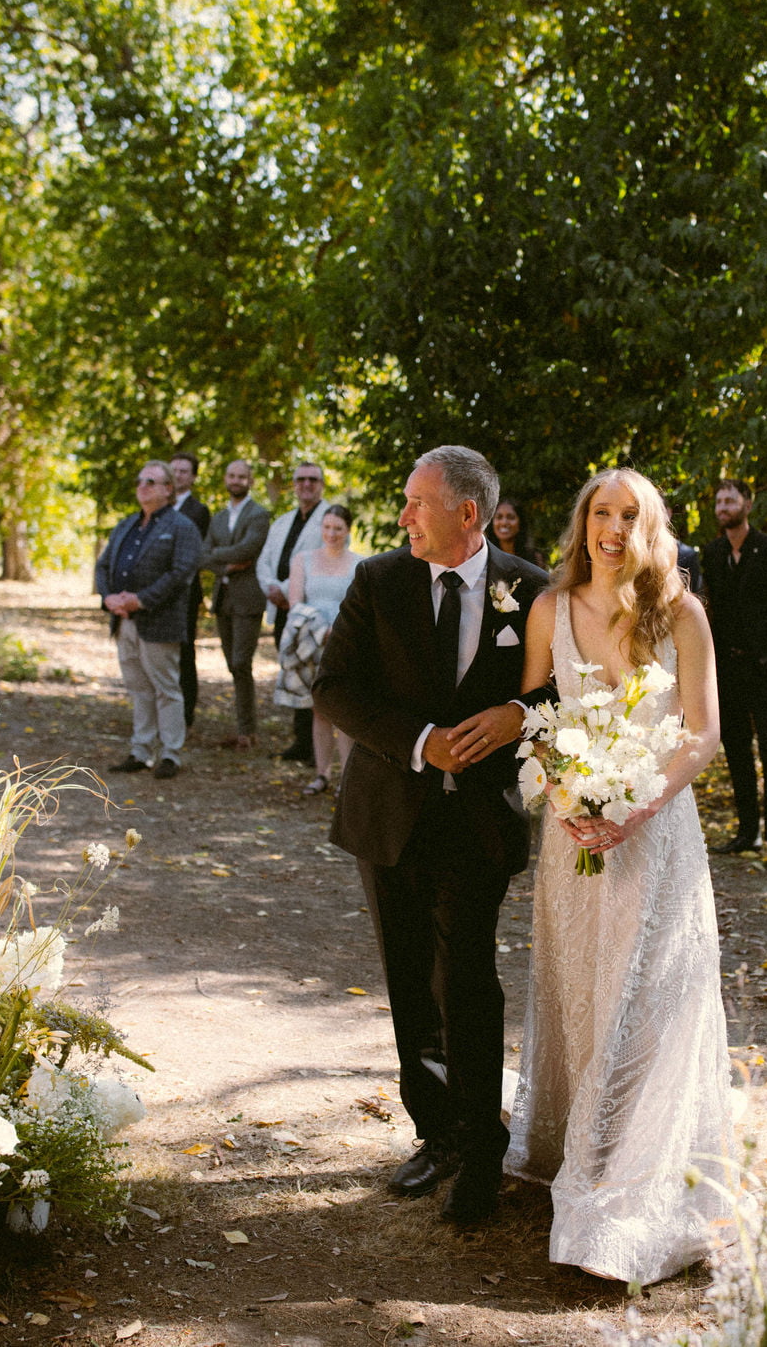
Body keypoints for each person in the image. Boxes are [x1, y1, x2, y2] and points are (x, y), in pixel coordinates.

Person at [504, 469, 732, 1284]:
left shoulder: (682, 617)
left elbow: (702, 734)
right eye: (601, 512)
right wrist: (565, 790)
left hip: (656, 833)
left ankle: (628, 1192)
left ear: (651, 529)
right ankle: (582, 1148)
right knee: (582, 993)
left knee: (645, 999)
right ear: (583, 523)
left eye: (629, 515)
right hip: (573, 838)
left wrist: (639, 803)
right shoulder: (549, 611)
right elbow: (536, 719)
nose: (612, 527)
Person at [312, 446, 551, 1226]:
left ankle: (482, 1150)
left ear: (467, 515)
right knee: (410, 982)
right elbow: (334, 687)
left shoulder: (531, 589)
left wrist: (519, 715)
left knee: (470, 983)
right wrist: (421, 740)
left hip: (478, 822)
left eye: (417, 502)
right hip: (390, 815)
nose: (404, 515)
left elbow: (562, 692)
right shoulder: (378, 581)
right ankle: (436, 1134)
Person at [700, 480, 767, 871]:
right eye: (719, 500)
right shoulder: (714, 552)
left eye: (730, 499)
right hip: (726, 671)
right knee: (737, 752)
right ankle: (747, 833)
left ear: (747, 504)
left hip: (762, 670)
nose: (723, 506)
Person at [95, 463, 202, 779]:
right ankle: (141, 751)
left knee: (166, 688)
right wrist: (109, 598)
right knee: (137, 687)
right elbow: (103, 567)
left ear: (168, 488)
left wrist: (140, 600)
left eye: (151, 482)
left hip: (159, 621)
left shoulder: (182, 527)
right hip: (124, 620)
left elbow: (181, 573)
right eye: (140, 481)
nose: (142, 486)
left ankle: (170, 754)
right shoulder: (126, 524)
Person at [272, 504, 365, 795]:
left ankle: (346, 778)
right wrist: (319, 630)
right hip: (311, 641)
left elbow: (362, 609)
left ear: (348, 530)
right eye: (326, 527)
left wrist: (337, 633)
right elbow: (295, 602)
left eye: (338, 528)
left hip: (345, 642)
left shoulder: (359, 564)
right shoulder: (303, 560)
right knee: (320, 710)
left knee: (344, 711)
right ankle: (322, 774)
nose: (331, 533)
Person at [259, 462, 329, 764]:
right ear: (293, 484)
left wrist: (287, 591)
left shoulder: (330, 520)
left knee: (315, 678)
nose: (306, 485)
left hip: (313, 612)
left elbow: (322, 562)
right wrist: (272, 588)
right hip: (283, 610)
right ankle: (301, 742)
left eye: (312, 479)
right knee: (295, 673)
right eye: (300, 479)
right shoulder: (283, 522)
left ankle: (317, 748)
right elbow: (264, 561)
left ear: (322, 484)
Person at [204, 459, 271, 747]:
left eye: (242, 476)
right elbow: (203, 555)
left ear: (250, 481)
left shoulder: (259, 514)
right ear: (225, 478)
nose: (236, 480)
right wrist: (228, 565)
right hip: (223, 598)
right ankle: (244, 727)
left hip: (248, 599)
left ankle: (247, 730)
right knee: (232, 664)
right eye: (232, 475)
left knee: (241, 662)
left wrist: (218, 554)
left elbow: (249, 548)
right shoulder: (217, 517)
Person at [169, 452, 212, 729]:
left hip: (185, 593)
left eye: (184, 471)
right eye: (173, 470)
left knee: (185, 653)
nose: (178, 475)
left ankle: (186, 714)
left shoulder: (198, 511)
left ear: (193, 477)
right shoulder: (157, 507)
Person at [489, 498, 542, 567]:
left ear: (520, 522)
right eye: (499, 517)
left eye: (510, 517)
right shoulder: (485, 557)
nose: (504, 522)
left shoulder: (535, 558)